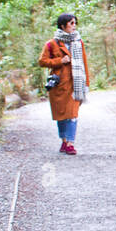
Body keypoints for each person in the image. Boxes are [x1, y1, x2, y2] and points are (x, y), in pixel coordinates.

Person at [39, 13, 90, 155]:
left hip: (76, 84)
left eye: (75, 23)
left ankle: (70, 143)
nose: (74, 26)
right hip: (59, 85)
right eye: (71, 23)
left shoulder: (79, 42)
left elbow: (84, 63)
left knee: (73, 114)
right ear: (63, 25)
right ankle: (63, 140)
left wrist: (87, 83)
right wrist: (59, 61)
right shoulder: (51, 44)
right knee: (61, 115)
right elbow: (42, 61)